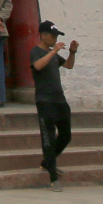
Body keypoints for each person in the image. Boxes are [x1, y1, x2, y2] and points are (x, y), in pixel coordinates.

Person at [32, 20, 78, 189]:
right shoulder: (36, 52)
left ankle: (47, 163)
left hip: (59, 99)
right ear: (43, 36)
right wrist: (53, 52)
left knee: (66, 135)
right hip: (45, 101)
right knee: (48, 138)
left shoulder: (53, 55)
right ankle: (53, 177)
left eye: (56, 36)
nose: (55, 39)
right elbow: (37, 66)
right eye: (53, 36)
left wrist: (72, 52)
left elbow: (69, 65)